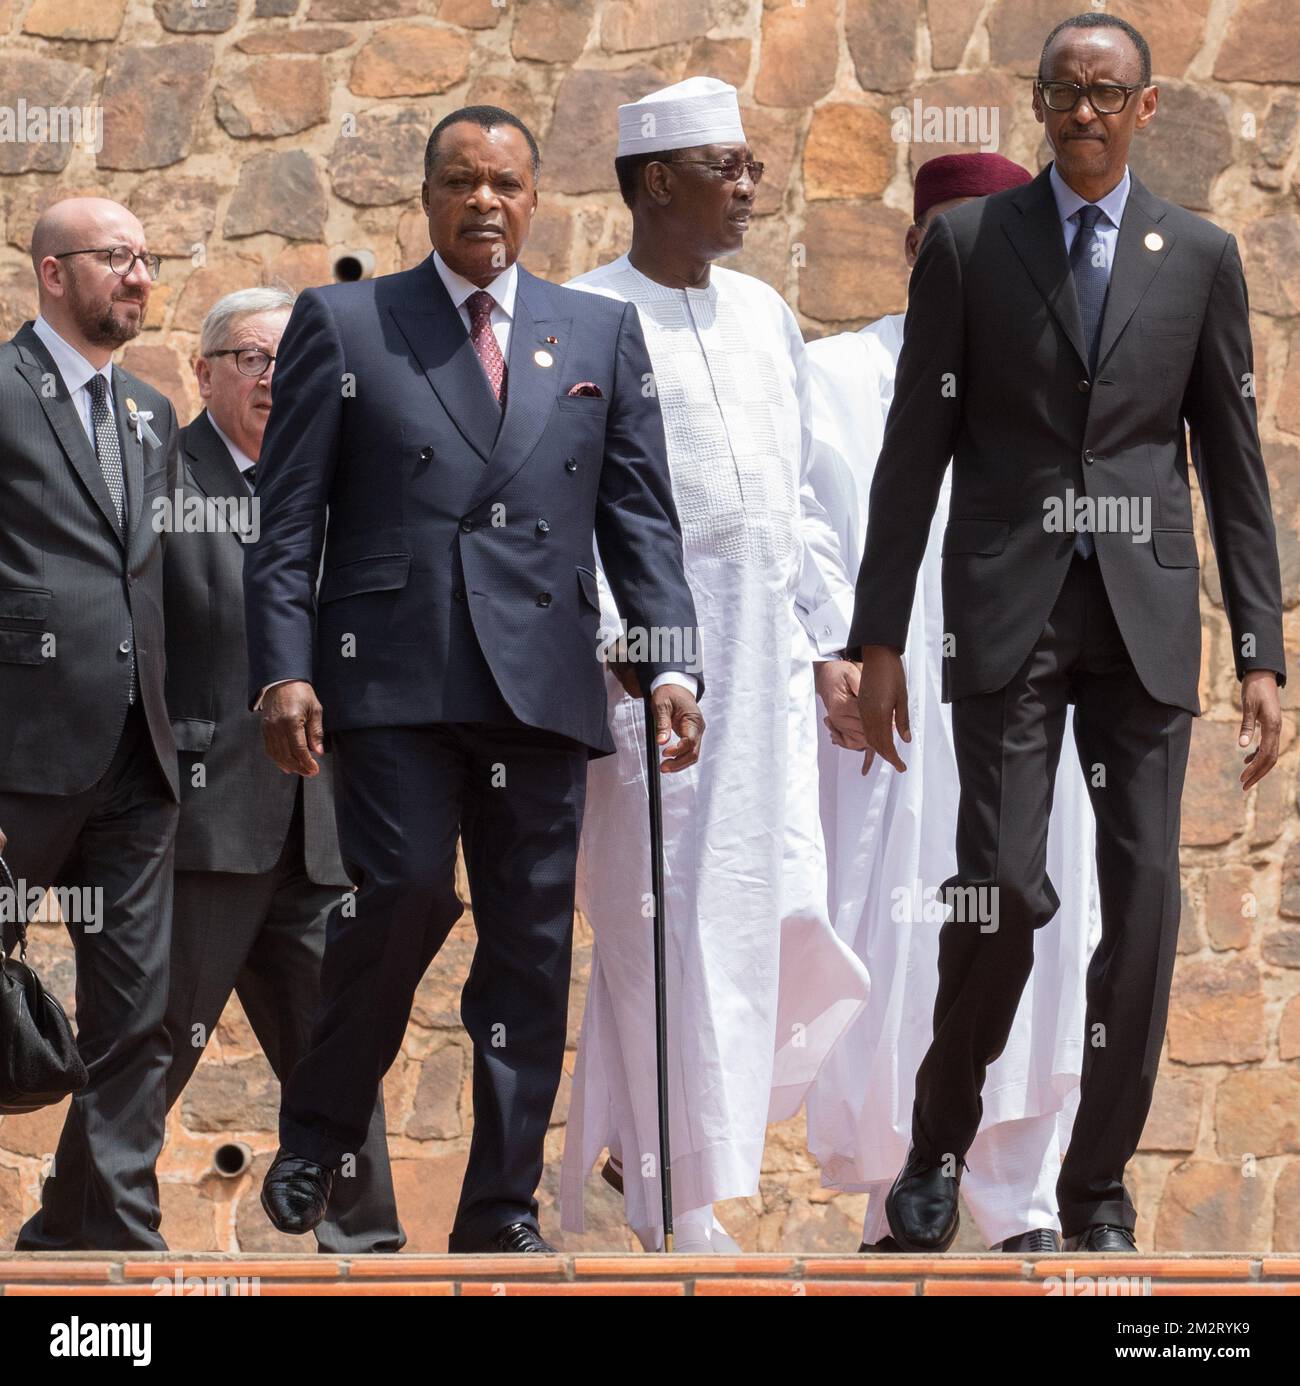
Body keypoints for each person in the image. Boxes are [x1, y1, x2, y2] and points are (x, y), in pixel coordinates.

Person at [851, 13, 1285, 1253]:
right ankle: (937, 1145)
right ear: (1037, 103)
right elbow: (911, 454)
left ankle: (1093, 1192)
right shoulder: (975, 245)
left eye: (1106, 95)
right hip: (1007, 613)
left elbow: (1231, 462)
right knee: (999, 889)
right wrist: (878, 634)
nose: (1082, 113)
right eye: (1062, 92)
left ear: (1148, 110)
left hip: (1141, 617)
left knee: (1144, 908)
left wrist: (1259, 645)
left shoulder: (1197, 254)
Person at [245, 105, 704, 1254]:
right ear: (428, 199)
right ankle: (320, 1128)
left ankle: (497, 1208)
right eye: (461, 181)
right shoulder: (346, 323)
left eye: (504, 181)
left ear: (536, 198)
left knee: (530, 949)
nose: (484, 201)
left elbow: (637, 515)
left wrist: (668, 664)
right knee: (396, 897)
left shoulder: (596, 335)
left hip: (541, 689)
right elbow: (287, 517)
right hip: (391, 677)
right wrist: (281, 672)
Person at [558, 77, 870, 1254]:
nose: (750, 185)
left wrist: (829, 644)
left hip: (769, 672)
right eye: (723, 165)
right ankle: (678, 1198)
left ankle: (634, 1166)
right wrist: (624, 651)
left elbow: (800, 504)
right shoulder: (582, 314)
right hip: (647, 678)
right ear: (653, 182)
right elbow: (569, 510)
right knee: (659, 922)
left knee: (768, 908)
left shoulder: (764, 315)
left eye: (752, 163)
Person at [804, 153, 1100, 1254]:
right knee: (901, 936)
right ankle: (899, 1200)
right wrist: (828, 651)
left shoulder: (1058, 378)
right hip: (893, 721)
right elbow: (807, 529)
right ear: (912, 248)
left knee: (1032, 926)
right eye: (950, 244)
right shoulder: (834, 374)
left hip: (1032, 708)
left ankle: (1019, 1202)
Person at [161, 288, 403, 1253]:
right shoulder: (156, 482)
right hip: (199, 832)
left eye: (288, 361)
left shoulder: (345, 486)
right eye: (251, 358)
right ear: (205, 370)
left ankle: (370, 1253)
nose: (272, 377)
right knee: (147, 1055)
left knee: (341, 1064)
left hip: (322, 835)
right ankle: (78, 1237)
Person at [0, 197, 181, 1249]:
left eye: (148, 258)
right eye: (117, 257)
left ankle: (115, 1235)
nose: (140, 275)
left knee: (137, 1008)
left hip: (137, 754)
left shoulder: (151, 413)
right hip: (19, 747)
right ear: (52, 273)